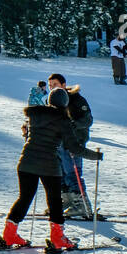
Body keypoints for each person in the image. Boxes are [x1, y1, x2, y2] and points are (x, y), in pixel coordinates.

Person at [0, 88, 102, 252]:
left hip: (26, 162)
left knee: (24, 198)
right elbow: (73, 147)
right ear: (65, 103)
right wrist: (95, 156)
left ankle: (9, 234)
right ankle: (57, 238)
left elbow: (30, 136)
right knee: (54, 201)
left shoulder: (34, 116)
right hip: (49, 164)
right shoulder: (63, 120)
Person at [47, 73, 94, 217]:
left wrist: (72, 125)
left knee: (73, 172)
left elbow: (87, 120)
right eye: (50, 86)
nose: (51, 88)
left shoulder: (76, 99)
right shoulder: (54, 100)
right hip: (59, 142)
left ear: (63, 84)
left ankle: (82, 204)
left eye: (54, 85)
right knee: (61, 173)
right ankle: (66, 200)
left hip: (74, 141)